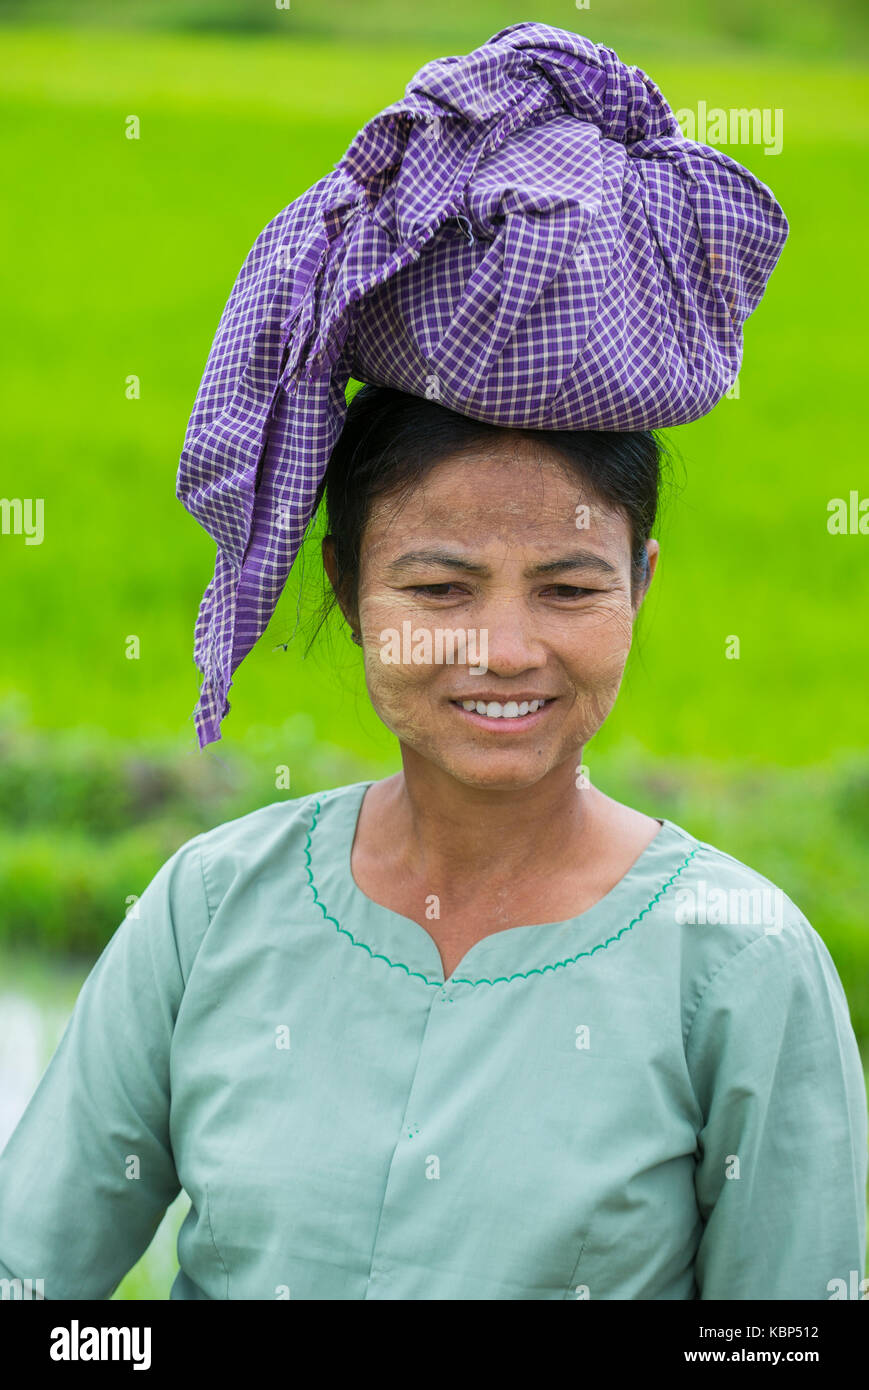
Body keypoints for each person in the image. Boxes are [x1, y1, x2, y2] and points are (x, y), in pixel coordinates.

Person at [1, 23, 864, 1300]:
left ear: (639, 588)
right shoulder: (206, 912)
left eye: (567, 587)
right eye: (440, 586)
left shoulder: (736, 962)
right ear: (349, 588)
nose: (503, 650)